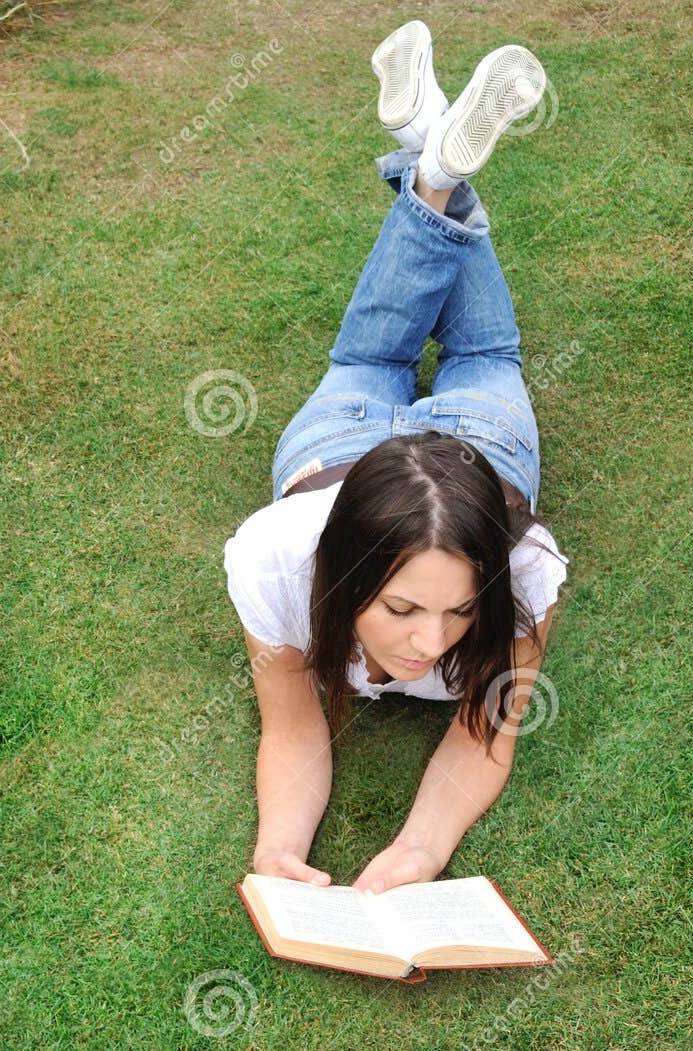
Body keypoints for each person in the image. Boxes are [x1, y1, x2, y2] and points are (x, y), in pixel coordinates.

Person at [222, 21, 570, 897]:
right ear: (342, 571)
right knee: (483, 357)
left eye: (458, 614)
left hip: (448, 461)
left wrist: (418, 851)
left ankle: (434, 158)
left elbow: (483, 731)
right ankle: (436, 163)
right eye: (404, 607)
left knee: (369, 360)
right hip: (431, 442)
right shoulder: (276, 565)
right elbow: (295, 726)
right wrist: (276, 849)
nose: (430, 643)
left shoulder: (520, 572)